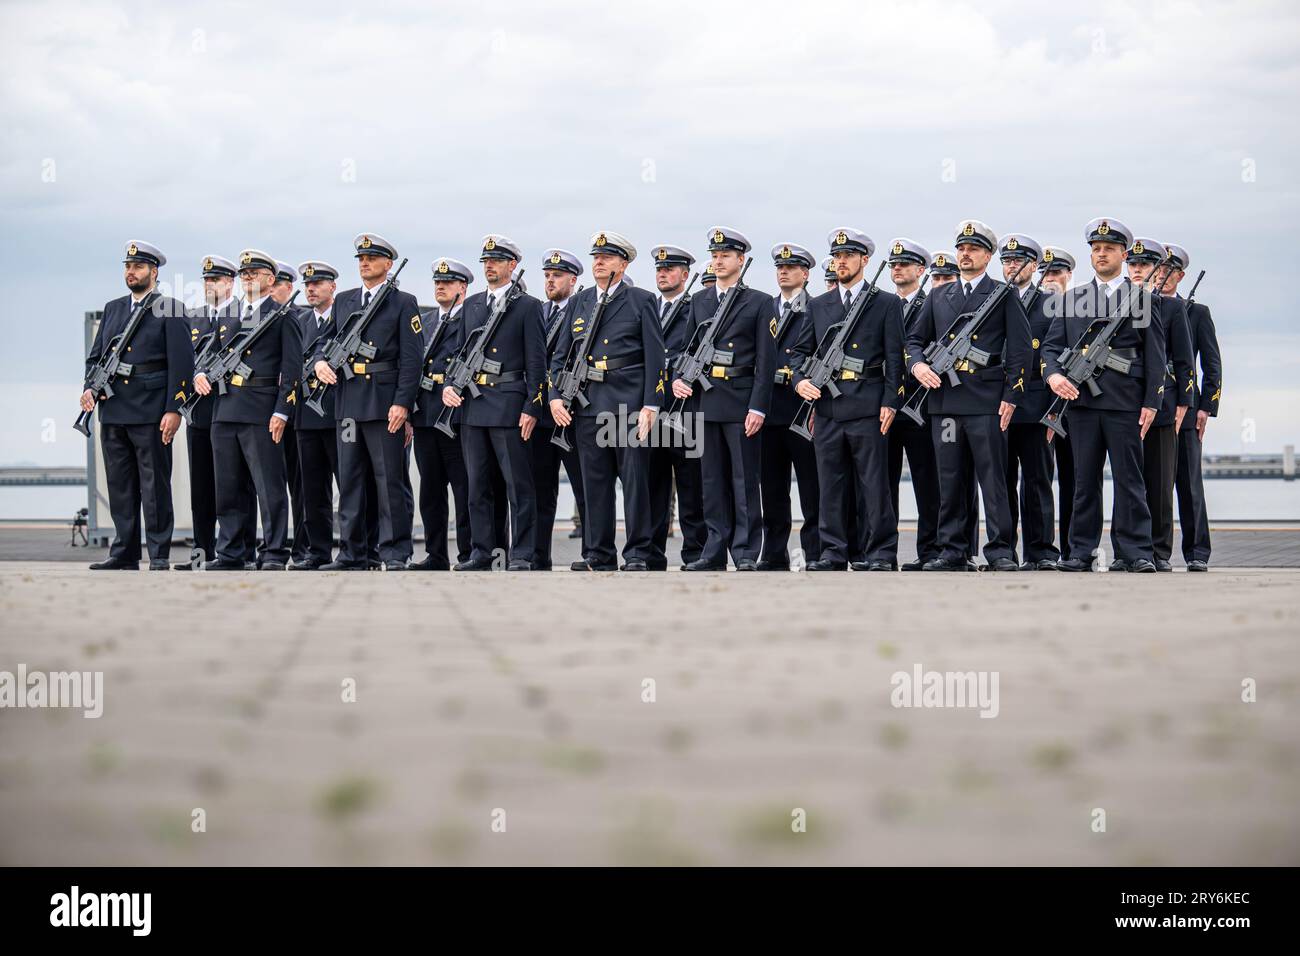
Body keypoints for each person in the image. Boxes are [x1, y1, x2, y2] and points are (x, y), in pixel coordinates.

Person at [907, 220, 1031, 571]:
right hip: (944, 403)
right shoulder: (938, 295)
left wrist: (1011, 396)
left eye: (973, 248)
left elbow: (1021, 351)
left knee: (993, 480)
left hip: (986, 401)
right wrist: (918, 367)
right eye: (961, 248)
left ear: (988, 256)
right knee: (949, 479)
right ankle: (952, 550)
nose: (965, 253)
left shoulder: (1002, 294)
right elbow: (914, 341)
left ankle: (1000, 550)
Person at [1042, 218, 1165, 572]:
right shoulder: (1072, 298)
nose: (1101, 254)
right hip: (1080, 404)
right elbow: (1050, 349)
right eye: (1096, 249)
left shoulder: (1142, 299)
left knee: (1130, 479)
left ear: (1123, 254)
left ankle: (1135, 551)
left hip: (1125, 403)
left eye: (1109, 249)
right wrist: (1053, 377)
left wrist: (1151, 402)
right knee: (1084, 481)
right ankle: (1081, 551)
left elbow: (1155, 355)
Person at [549, 231, 665, 571]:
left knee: (634, 484)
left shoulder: (641, 300)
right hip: (587, 404)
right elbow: (560, 357)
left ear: (623, 263)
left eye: (607, 257)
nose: (598, 262)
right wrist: (556, 397)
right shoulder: (580, 301)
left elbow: (656, 357)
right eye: (596, 257)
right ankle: (598, 553)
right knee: (593, 484)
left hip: (627, 404)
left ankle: (638, 553)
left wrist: (651, 405)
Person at [791, 227, 904, 571]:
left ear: (864, 260)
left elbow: (895, 359)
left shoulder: (885, 303)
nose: (841, 262)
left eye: (848, 256)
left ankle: (881, 553)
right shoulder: (819, 304)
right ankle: (833, 552)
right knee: (830, 486)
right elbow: (799, 353)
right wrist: (800, 382)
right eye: (837, 257)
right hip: (827, 408)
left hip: (868, 406)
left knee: (874, 486)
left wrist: (890, 402)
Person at [311, 233, 421, 571]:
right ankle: (351, 553)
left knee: (390, 482)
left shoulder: (403, 302)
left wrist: (402, 403)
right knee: (350, 482)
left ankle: (394, 552)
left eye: (371, 258)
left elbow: (411, 359)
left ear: (388, 264)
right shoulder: (343, 301)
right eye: (360, 258)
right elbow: (324, 341)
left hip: (384, 404)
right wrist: (318, 362)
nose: (364, 263)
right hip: (347, 405)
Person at [81, 240, 192, 570]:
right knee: (120, 485)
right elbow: (96, 357)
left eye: (138, 267)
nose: (131, 272)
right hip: (114, 409)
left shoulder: (169, 308)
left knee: (154, 485)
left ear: (153, 272)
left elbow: (182, 365)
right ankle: (124, 552)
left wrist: (175, 409)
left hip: (151, 410)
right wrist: (89, 387)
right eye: (128, 267)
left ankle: (159, 554)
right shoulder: (114, 308)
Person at [671, 227, 775, 571]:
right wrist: (678, 380)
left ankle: (745, 552)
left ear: (740, 260)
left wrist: (758, 406)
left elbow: (766, 360)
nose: (717, 261)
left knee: (744, 481)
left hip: (742, 401)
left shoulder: (759, 302)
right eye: (714, 256)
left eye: (725, 256)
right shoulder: (699, 301)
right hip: (706, 401)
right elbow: (686, 350)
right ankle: (714, 550)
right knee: (711, 481)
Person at [443, 234, 544, 571]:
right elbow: (457, 353)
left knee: (519, 486)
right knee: (478, 486)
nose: (490, 266)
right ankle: (482, 551)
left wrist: (532, 406)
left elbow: (537, 364)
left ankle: (522, 553)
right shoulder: (471, 304)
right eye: (486, 261)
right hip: (473, 406)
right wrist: (449, 385)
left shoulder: (527, 306)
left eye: (497, 261)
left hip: (509, 404)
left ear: (512, 266)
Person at [200, 248, 301, 570]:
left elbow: (293, 372)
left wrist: (282, 412)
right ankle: (231, 552)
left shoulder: (283, 315)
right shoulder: (229, 314)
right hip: (225, 409)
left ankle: (273, 553)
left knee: (268, 487)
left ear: (270, 280)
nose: (247, 278)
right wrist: (199, 374)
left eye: (254, 273)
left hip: (261, 410)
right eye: (244, 274)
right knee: (227, 487)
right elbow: (208, 355)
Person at [1126, 239, 1194, 572]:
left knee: (1159, 481)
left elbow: (1184, 361)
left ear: (1157, 271)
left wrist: (1184, 403)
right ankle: (1130, 551)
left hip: (1163, 405)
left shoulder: (1171, 308)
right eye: (1134, 265)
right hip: (1123, 403)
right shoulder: (1117, 302)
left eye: (1145, 266)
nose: (1139, 271)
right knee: (1129, 482)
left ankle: (1159, 551)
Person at [998, 233, 1060, 570]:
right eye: (1006, 261)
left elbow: (1055, 358)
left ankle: (1042, 552)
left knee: (1038, 482)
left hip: (1036, 406)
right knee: (1001, 482)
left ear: (1033, 266)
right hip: (997, 406)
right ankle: (1005, 551)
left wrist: (1053, 414)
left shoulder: (1048, 303)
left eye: (1017, 261)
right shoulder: (992, 299)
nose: (1011, 266)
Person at [758, 242, 822, 570]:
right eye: (780, 267)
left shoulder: (818, 308)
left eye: (791, 267)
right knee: (772, 488)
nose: (783, 271)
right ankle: (773, 553)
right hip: (769, 409)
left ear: (805, 273)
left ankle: (816, 553)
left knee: (812, 487)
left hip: (802, 409)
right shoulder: (764, 308)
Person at [408, 257, 474, 570]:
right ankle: (436, 554)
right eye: (437, 282)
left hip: (455, 416)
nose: (440, 287)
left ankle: (467, 552)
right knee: (431, 490)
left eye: (447, 282)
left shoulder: (472, 321)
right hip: (425, 415)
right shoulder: (428, 321)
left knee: (464, 488)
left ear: (462, 286)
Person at [175, 254, 240, 569]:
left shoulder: (244, 315)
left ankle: (236, 552)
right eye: (206, 280)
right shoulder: (193, 317)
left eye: (215, 279)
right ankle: (202, 555)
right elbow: (183, 360)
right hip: (200, 415)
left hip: (232, 413)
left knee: (232, 487)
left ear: (230, 282)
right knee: (201, 490)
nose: (209, 285)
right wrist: (196, 373)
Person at [530, 249, 591, 570]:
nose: (551, 280)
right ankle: (537, 556)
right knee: (540, 489)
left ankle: (591, 553)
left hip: (573, 412)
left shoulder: (585, 309)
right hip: (540, 414)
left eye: (557, 276)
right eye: (547, 275)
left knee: (585, 488)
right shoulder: (536, 312)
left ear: (573, 279)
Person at [1162, 242, 1221, 571]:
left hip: (1186, 408)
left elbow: (1211, 365)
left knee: (1188, 484)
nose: (1164, 276)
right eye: (1161, 269)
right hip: (1151, 406)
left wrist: (1206, 407)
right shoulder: (1140, 309)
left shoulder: (1196, 313)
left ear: (1181, 275)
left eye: (1171, 271)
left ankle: (1197, 552)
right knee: (1153, 486)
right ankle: (1156, 552)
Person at [647, 244, 705, 570]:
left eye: (669, 270)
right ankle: (652, 554)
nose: (663, 274)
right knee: (653, 487)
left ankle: (695, 554)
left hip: (686, 410)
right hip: (653, 410)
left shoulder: (695, 307)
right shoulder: (647, 307)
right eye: (659, 269)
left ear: (685, 275)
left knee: (691, 487)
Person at [887, 238, 940, 570]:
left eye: (904, 264)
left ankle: (931, 551)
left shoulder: (932, 304)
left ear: (920, 271)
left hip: (921, 406)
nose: (897, 269)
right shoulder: (881, 306)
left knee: (928, 482)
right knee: (883, 483)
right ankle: (881, 553)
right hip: (888, 407)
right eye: (894, 265)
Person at [288, 260, 341, 569]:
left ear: (332, 286)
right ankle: (317, 551)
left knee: (349, 487)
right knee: (311, 489)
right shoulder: (299, 320)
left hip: (337, 413)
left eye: (317, 283)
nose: (310, 289)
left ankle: (355, 551)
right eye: (307, 285)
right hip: (306, 415)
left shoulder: (343, 317)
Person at [1037, 246, 1077, 561]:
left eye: (1056, 272)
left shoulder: (1080, 307)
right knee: (1040, 482)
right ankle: (1042, 550)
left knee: (1075, 481)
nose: (1050, 278)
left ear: (1068, 275)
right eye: (1046, 273)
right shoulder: (1033, 307)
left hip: (1076, 408)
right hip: (1040, 409)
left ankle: (1073, 549)